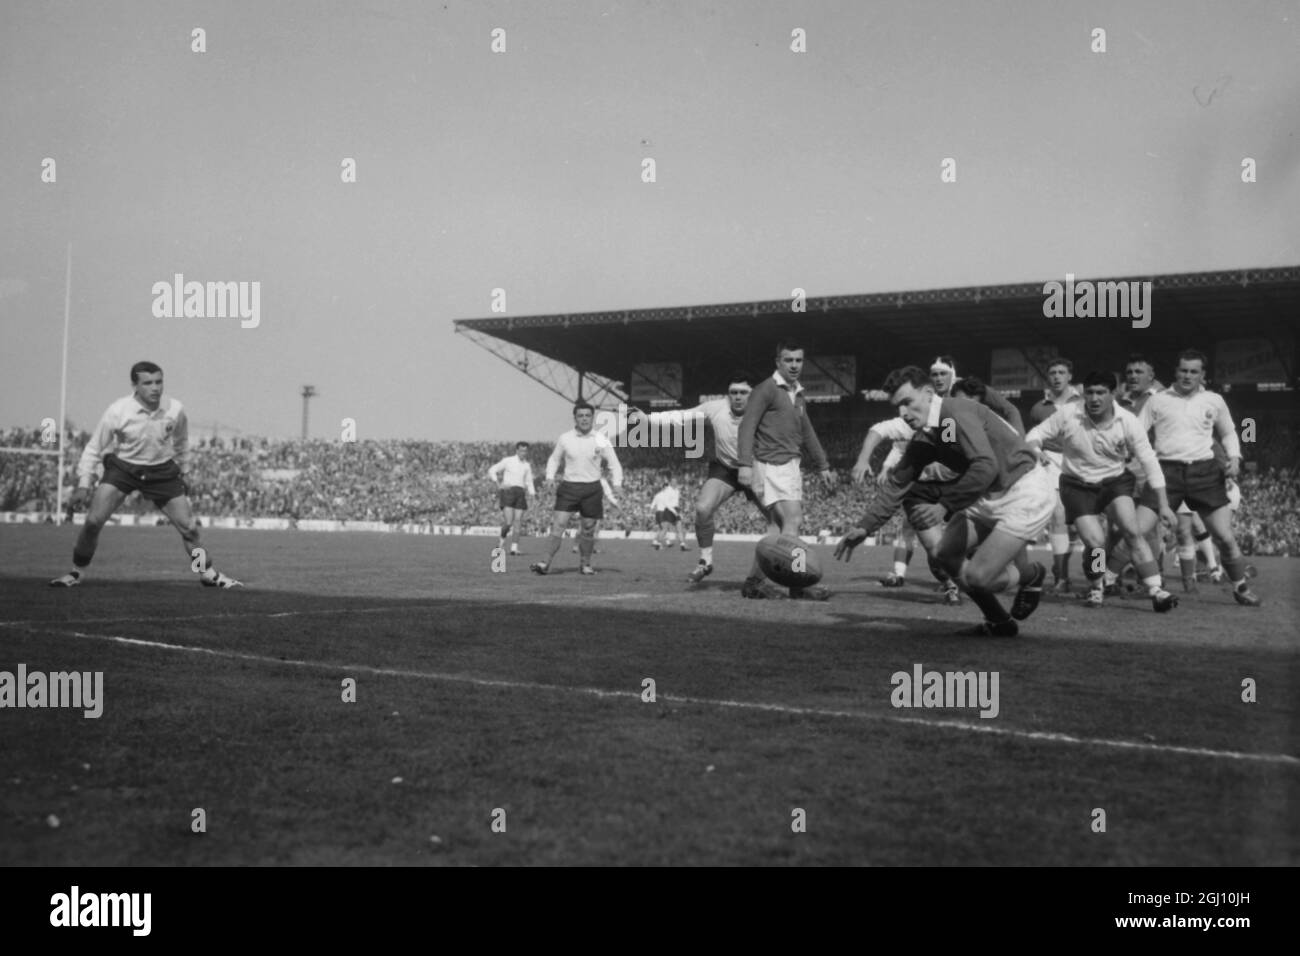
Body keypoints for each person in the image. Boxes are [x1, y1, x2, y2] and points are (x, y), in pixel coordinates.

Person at [835, 366, 1054, 636]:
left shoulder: (955, 412)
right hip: (989, 493)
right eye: (897, 406)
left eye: (907, 402)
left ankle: (1031, 575)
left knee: (977, 576)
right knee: (945, 556)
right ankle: (999, 622)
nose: (902, 413)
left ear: (928, 394)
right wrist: (865, 526)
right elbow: (899, 483)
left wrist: (944, 504)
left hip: (1023, 490)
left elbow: (986, 466)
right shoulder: (932, 432)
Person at [48, 361, 242, 588]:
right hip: (123, 469)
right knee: (92, 522)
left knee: (189, 528)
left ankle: (206, 573)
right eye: (148, 383)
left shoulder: (175, 409)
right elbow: (93, 448)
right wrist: (84, 483)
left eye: (159, 382)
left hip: (161, 471)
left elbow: (182, 443)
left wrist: (186, 471)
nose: (155, 388)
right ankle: (76, 572)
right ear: (135, 386)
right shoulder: (118, 411)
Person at [1025, 370, 1177, 612]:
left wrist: (1164, 504)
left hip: (1114, 482)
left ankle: (1156, 590)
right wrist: (1035, 449)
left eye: (1101, 393)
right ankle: (1097, 587)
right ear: (1084, 394)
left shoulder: (1128, 421)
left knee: (1132, 531)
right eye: (1090, 393)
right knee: (1095, 543)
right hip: (1077, 485)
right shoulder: (1068, 413)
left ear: (1112, 394)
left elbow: (1149, 462)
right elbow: (1035, 433)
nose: (1094, 398)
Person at [1126, 350, 1261, 606]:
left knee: (1224, 537)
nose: (1187, 375)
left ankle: (1240, 587)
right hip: (1165, 473)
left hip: (1204, 472)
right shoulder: (1158, 401)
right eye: (1183, 370)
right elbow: (1137, 433)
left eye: (1193, 371)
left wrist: (1234, 457)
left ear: (1202, 374)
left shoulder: (1214, 400)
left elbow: (1230, 432)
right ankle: (1141, 585)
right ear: (1175, 372)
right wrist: (1125, 452)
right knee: (1136, 531)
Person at [632, 371, 768, 584]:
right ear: (727, 395)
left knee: (778, 521)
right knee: (703, 508)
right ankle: (705, 561)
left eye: (743, 392)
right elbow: (682, 416)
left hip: (756, 468)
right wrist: (647, 418)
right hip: (725, 468)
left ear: (753, 394)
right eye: (734, 392)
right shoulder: (715, 408)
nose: (738, 397)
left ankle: (785, 573)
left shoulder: (765, 410)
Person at [737, 343, 836, 600]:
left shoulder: (798, 394)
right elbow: (746, 426)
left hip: (790, 465)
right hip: (770, 464)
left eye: (799, 360)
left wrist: (823, 465)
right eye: (789, 360)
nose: (794, 365)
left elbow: (807, 432)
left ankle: (755, 582)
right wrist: (745, 464)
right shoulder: (766, 390)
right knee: (793, 519)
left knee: (779, 526)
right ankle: (797, 584)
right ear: (778, 362)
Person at [531, 401, 623, 576]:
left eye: (587, 415)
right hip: (569, 488)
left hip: (592, 489)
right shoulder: (565, 438)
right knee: (559, 524)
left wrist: (617, 484)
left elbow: (614, 464)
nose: (584, 419)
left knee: (588, 528)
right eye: (580, 415)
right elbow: (554, 459)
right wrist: (550, 476)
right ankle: (544, 563)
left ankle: (585, 565)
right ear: (575, 418)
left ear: (592, 418)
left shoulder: (601, 439)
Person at [1027, 358, 1084, 594]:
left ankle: (1103, 577)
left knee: (1086, 525)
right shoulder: (1039, 408)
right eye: (1053, 372)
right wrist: (1037, 452)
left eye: (1062, 372)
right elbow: (1032, 436)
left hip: (1083, 463)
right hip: (1051, 462)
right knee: (1058, 516)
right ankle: (1061, 577)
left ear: (1070, 376)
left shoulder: (1083, 403)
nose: (1057, 376)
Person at [487, 441, 535, 556]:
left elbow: (529, 481)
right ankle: (501, 542)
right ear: (517, 450)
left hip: (520, 492)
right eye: (521, 450)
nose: (523, 453)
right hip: (508, 492)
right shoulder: (508, 461)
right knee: (508, 522)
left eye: (525, 451)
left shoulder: (527, 465)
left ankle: (514, 548)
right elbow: (492, 470)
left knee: (518, 522)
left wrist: (532, 494)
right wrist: (498, 483)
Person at [649, 473, 687, 550]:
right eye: (673, 481)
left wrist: (679, 510)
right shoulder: (667, 491)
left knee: (679, 528)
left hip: (675, 509)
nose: (675, 483)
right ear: (670, 482)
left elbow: (676, 501)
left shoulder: (677, 490)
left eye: (676, 482)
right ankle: (658, 543)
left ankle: (682, 545)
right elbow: (667, 503)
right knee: (664, 528)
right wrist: (674, 512)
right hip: (669, 510)